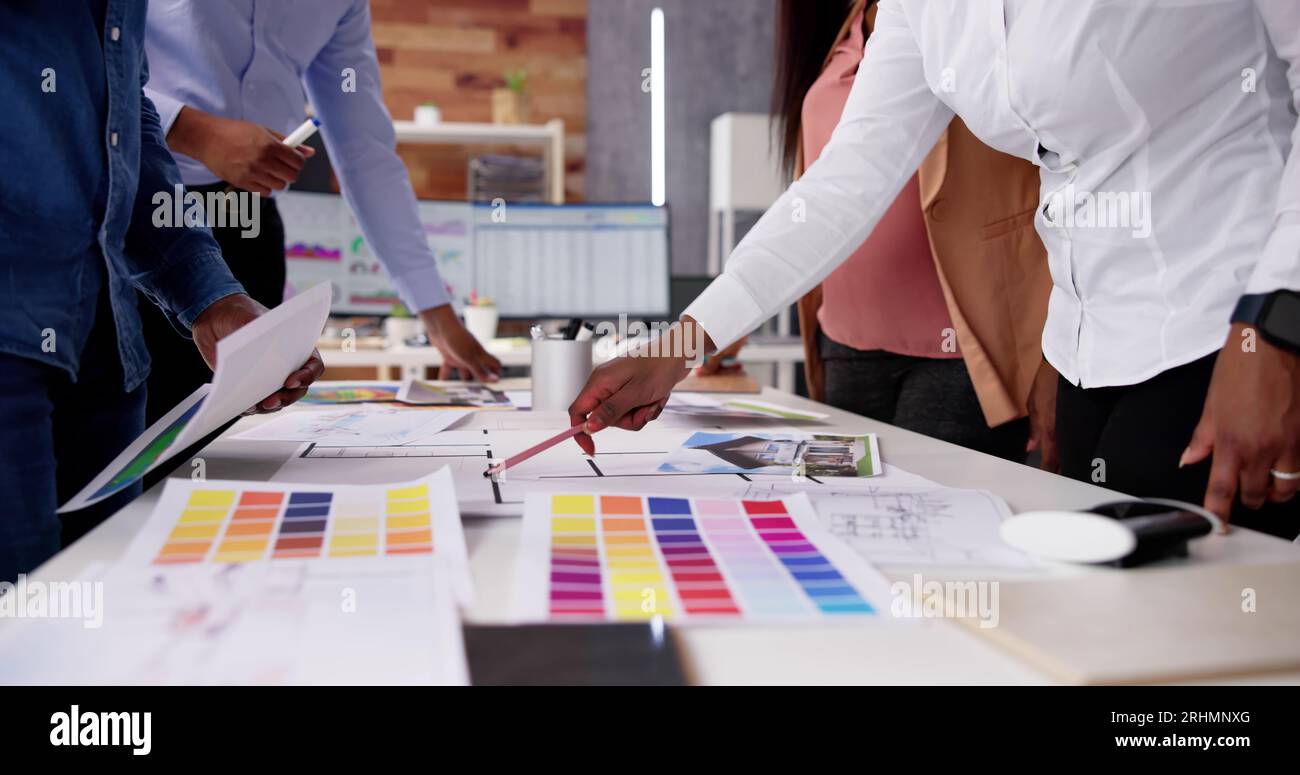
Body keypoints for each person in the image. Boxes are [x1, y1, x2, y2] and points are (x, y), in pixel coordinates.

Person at [570, 0, 1300, 534]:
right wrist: (677, 348)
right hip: (1088, 344)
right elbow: (841, 182)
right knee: (1105, 633)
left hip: (1230, 319)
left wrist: (1276, 327)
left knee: (1207, 649)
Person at [0, 0, 323, 582]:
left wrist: (213, 297)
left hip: (108, 360)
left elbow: (126, 125)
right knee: (24, 642)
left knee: (101, 636)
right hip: (11, 349)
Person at [139, 0, 502, 429]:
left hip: (248, 223)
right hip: (143, 208)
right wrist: (190, 130)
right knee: (128, 439)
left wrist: (436, 315)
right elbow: (85, 68)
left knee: (231, 440)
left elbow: (365, 153)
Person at [773, 0, 1055, 466]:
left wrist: (1053, 352)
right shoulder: (842, 31)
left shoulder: (970, 18)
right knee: (847, 523)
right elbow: (818, 196)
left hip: (960, 356)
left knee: (941, 525)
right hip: (845, 344)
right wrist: (734, 320)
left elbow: (1052, 182)